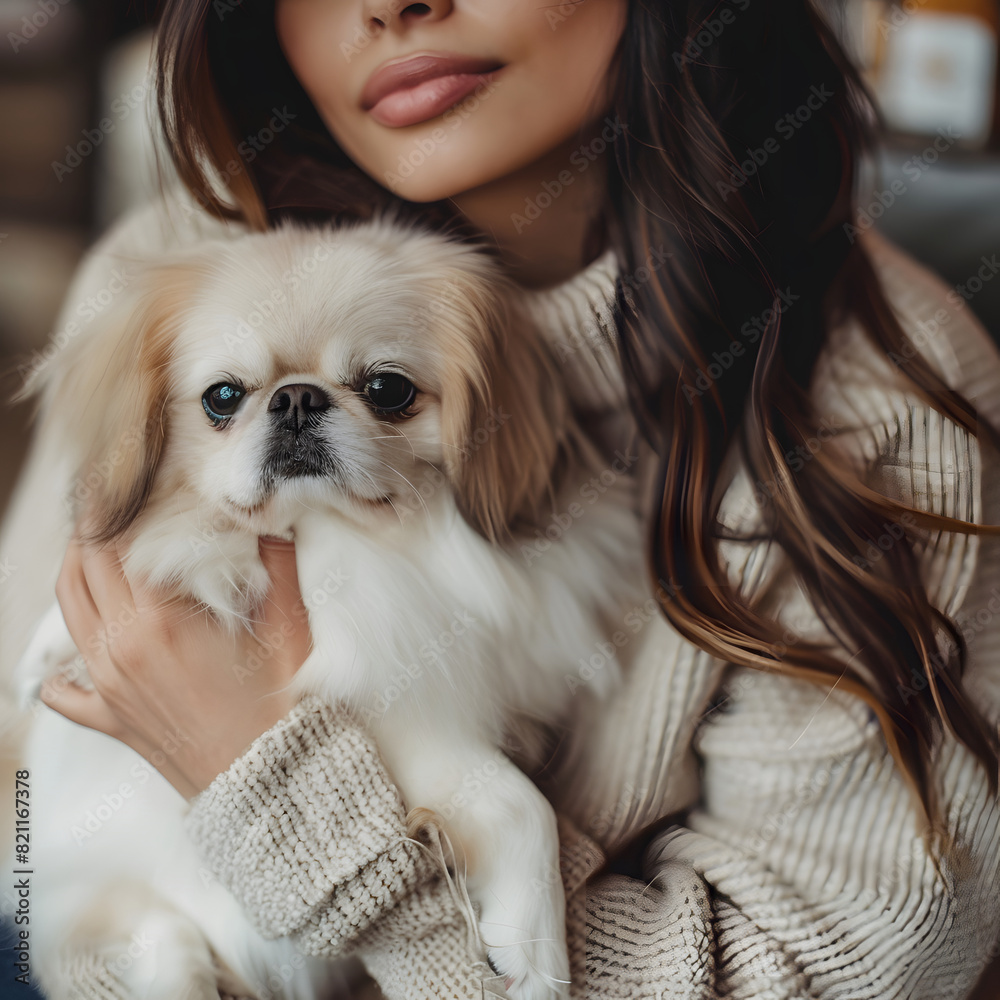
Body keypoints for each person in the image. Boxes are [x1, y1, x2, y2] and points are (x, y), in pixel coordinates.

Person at [5, 0, 1000, 996]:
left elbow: (813, 971)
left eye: (388, 390)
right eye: (227, 399)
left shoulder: (886, 418)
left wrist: (282, 787)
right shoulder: (167, 268)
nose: (394, 5)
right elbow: (20, 792)